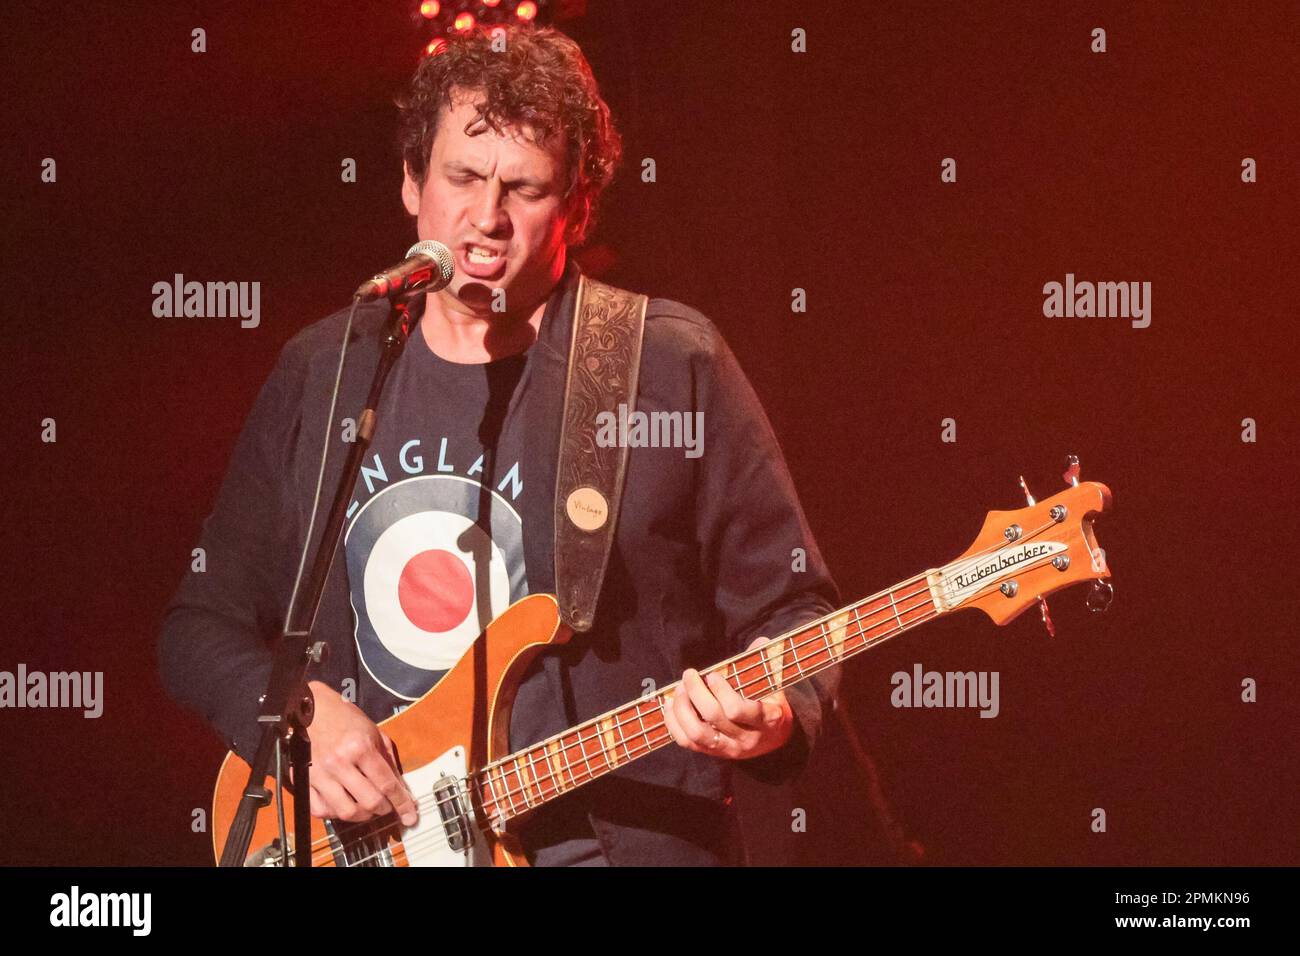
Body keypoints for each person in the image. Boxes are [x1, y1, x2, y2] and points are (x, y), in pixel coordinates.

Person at [158, 23, 840, 866]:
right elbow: (201, 624)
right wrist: (298, 712)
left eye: (524, 188)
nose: (486, 218)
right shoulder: (327, 370)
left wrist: (776, 710)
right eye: (463, 177)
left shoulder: (666, 363)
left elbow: (792, 605)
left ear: (579, 206)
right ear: (412, 184)